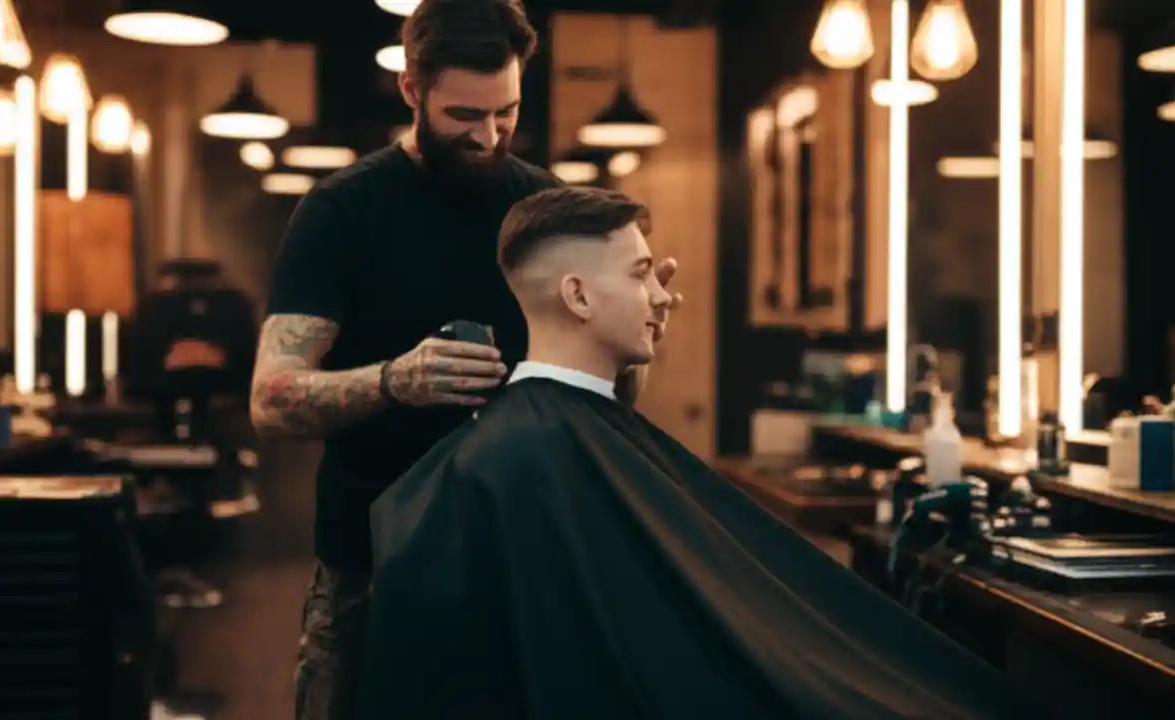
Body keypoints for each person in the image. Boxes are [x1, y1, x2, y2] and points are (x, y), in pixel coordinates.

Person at [355, 187, 1041, 719]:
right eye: (642, 274)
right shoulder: (537, 453)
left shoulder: (520, 446)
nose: (662, 296)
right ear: (578, 296)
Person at [248, 2, 680, 718]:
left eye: (505, 113)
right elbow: (271, 398)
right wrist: (395, 381)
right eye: (463, 115)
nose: (487, 137)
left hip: (519, 553)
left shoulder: (549, 210)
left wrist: (638, 330)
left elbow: (613, 397)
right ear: (412, 90)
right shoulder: (342, 212)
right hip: (371, 558)